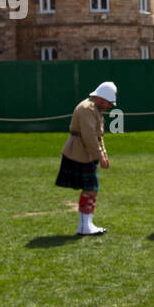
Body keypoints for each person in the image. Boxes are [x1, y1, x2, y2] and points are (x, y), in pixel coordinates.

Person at [55, 80, 118, 236]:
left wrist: (104, 154)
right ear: (102, 99)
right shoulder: (86, 109)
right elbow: (89, 136)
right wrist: (99, 156)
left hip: (86, 153)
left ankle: (86, 224)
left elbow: (98, 136)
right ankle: (84, 226)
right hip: (79, 152)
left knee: (91, 188)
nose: (109, 106)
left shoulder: (95, 110)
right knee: (90, 188)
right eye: (109, 103)